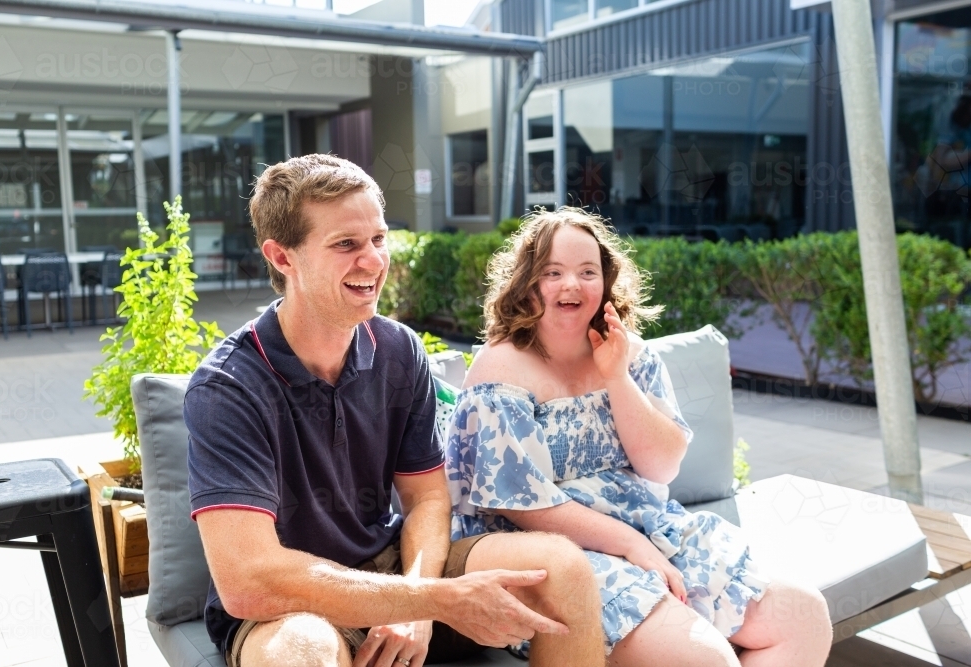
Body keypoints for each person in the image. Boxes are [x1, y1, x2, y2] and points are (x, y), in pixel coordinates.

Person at [184, 156, 606, 667]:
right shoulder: (228, 386)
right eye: (346, 245)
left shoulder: (399, 350)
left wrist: (417, 601)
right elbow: (249, 581)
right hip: (293, 608)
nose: (373, 261)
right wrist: (429, 599)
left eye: (378, 240)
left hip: (396, 571)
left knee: (560, 567)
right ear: (283, 257)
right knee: (302, 654)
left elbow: (426, 497)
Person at [445, 207, 833, 666]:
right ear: (527, 284)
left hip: (649, 528)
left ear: (605, 283)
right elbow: (520, 504)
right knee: (706, 660)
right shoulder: (500, 369)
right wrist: (633, 547)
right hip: (554, 554)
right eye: (553, 272)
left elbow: (662, 466)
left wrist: (617, 377)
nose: (572, 284)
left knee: (804, 617)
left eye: (587, 272)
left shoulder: (629, 354)